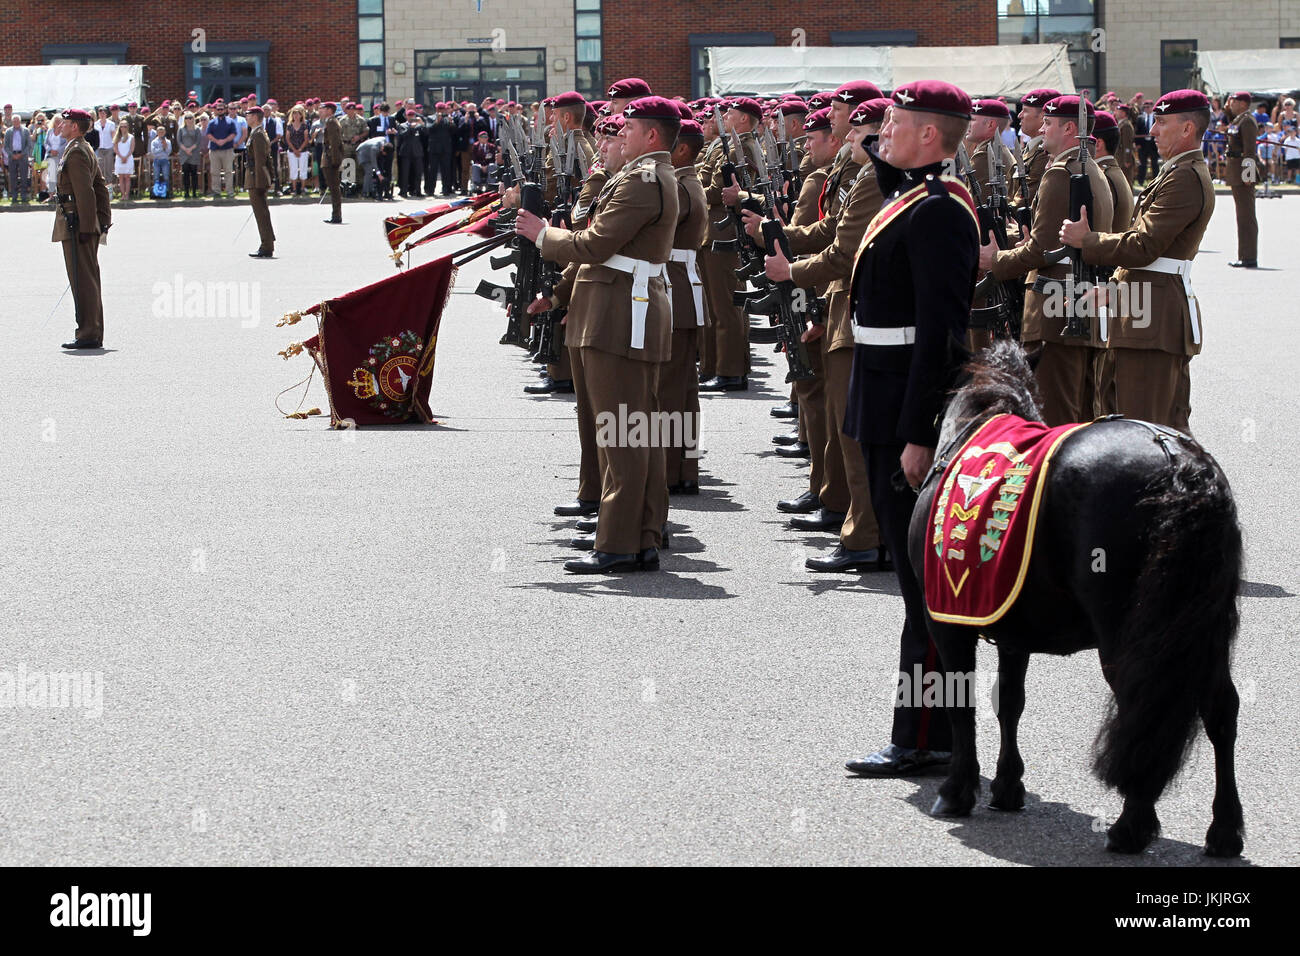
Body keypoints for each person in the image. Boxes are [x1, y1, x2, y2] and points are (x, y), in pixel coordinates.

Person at [841, 81, 979, 776]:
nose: (882, 130)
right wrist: (878, 143)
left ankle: (923, 735)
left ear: (931, 136)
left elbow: (943, 332)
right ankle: (937, 734)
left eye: (895, 122)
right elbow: (886, 163)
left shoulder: (939, 213)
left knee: (924, 589)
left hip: (906, 408)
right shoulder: (912, 197)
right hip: (881, 393)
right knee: (914, 581)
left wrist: (922, 430)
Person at [516, 95, 679, 574]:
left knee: (622, 434)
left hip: (621, 315)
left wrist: (543, 235)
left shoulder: (644, 180)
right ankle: (641, 533)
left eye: (627, 129)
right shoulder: (641, 177)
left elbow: (594, 243)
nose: (617, 134)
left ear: (651, 136)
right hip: (617, 310)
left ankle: (620, 542)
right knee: (635, 429)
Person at [1060, 89, 1216, 434]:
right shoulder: (1175, 172)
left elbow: (1144, 246)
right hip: (1143, 308)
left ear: (1188, 129)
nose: (1154, 131)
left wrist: (1087, 241)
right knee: (1133, 424)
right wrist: (1112, 290)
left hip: (1153, 319)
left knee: (1145, 432)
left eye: (1161, 123)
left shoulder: (1185, 177)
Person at [981, 94, 1114, 427]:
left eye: (1049, 123)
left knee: (1054, 417)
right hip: (1079, 300)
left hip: (1055, 306)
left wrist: (995, 259)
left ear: (1070, 128)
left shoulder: (1060, 173)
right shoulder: (1093, 170)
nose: (1042, 128)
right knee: (1080, 412)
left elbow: (1041, 249)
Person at [52, 109, 111, 350]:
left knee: (82, 279)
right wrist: (103, 221)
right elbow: (101, 187)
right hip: (81, 222)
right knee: (87, 278)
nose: (61, 126)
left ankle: (87, 333)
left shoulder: (76, 152)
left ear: (75, 126)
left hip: (77, 225)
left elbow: (86, 192)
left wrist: (88, 227)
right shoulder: (82, 147)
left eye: (65, 123)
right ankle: (92, 330)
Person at [1223, 91, 1259, 268]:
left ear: (1244, 103)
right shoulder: (1238, 119)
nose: (1232, 103)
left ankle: (1249, 257)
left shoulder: (1247, 121)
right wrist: (1227, 106)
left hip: (1243, 175)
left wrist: (1248, 175)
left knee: (1246, 217)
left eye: (1235, 101)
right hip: (1236, 173)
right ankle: (1244, 255)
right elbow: (1229, 118)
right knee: (1241, 216)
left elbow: (1250, 151)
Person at [244, 104, 276, 259]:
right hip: (256, 177)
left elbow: (260, 161)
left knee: (261, 214)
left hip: (256, 178)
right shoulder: (256, 133)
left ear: (255, 117)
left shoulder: (257, 135)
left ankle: (266, 245)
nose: (246, 117)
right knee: (262, 213)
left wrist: (260, 182)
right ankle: (267, 243)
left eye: (249, 115)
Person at [206, 100, 237, 198]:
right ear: (215, 110)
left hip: (227, 150)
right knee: (215, 172)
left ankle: (229, 191)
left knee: (228, 171)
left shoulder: (230, 121)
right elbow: (208, 134)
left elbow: (233, 134)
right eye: (218, 109)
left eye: (221, 109)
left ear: (225, 110)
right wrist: (216, 141)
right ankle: (216, 191)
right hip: (214, 150)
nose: (220, 110)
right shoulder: (212, 122)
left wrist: (224, 140)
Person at [320, 101, 344, 223]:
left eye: (323, 109)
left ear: (329, 110)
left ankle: (336, 215)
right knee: (334, 188)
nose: (320, 111)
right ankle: (336, 214)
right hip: (329, 158)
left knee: (334, 188)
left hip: (330, 160)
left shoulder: (331, 122)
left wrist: (334, 160)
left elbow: (334, 143)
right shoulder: (330, 122)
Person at [284, 105, 310, 196]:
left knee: (303, 169)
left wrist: (300, 149)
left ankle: (303, 188)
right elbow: (287, 139)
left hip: (303, 150)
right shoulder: (289, 125)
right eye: (294, 113)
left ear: (301, 115)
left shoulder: (305, 125)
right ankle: (294, 189)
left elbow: (306, 139)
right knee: (293, 170)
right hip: (292, 151)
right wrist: (294, 150)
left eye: (298, 114)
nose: (296, 116)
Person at [6, 113, 32, 203]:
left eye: (17, 121)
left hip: (23, 156)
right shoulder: (8, 131)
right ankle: (14, 196)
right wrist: (11, 154)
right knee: (13, 177)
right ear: (12, 122)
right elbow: (6, 146)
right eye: (14, 121)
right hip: (12, 156)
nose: (16, 122)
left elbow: (29, 145)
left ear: (20, 121)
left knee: (24, 176)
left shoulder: (25, 131)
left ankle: (24, 195)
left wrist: (22, 154)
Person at [176, 111, 202, 198]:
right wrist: (185, 149)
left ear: (193, 119)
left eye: (190, 117)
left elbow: (198, 141)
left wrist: (191, 149)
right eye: (186, 118)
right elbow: (179, 141)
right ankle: (186, 192)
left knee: (194, 174)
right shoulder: (181, 129)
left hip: (194, 153)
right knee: (186, 174)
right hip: (184, 154)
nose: (188, 119)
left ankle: (194, 192)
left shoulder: (197, 129)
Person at [148, 125, 171, 197]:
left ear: (165, 132)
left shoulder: (168, 141)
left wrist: (165, 147)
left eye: (162, 132)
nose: (161, 133)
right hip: (157, 160)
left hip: (165, 160)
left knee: (166, 176)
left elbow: (168, 152)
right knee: (156, 176)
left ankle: (166, 192)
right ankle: (156, 192)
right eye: (159, 132)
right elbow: (154, 152)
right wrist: (162, 148)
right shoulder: (154, 142)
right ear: (157, 133)